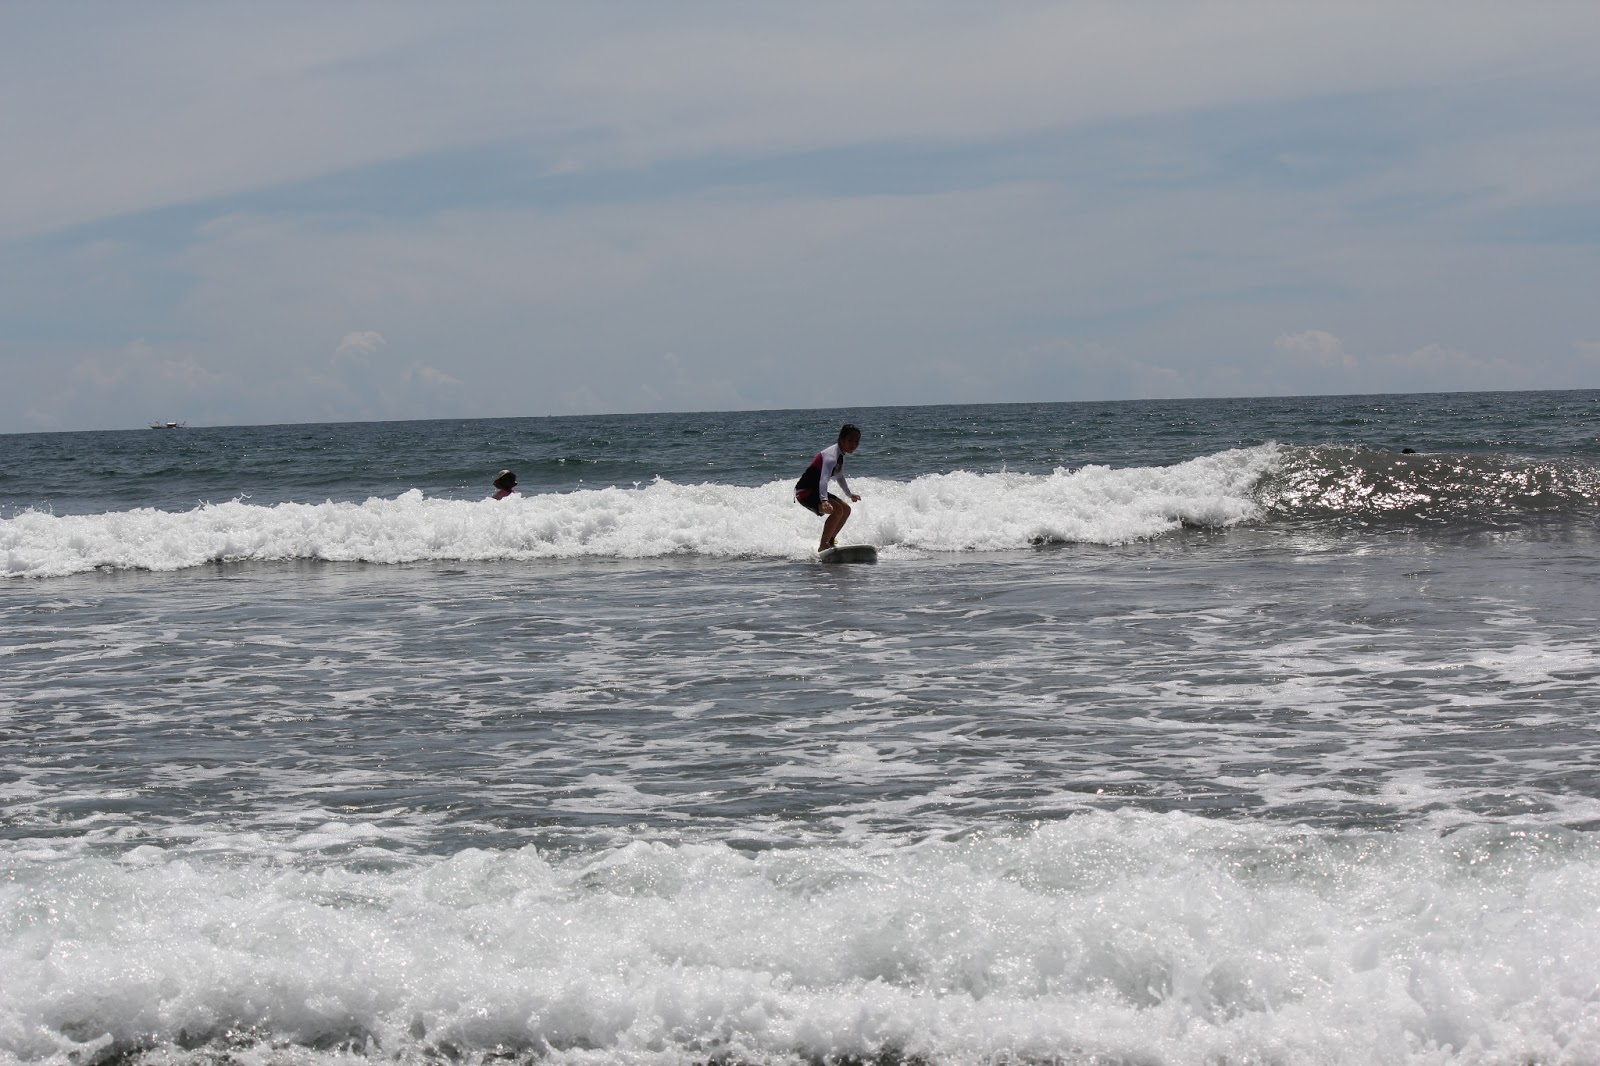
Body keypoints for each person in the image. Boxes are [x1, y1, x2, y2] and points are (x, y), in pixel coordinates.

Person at [794, 423, 862, 552]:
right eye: (850, 440)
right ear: (841, 439)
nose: (854, 444)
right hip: (805, 492)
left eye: (857, 441)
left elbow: (840, 476)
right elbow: (824, 479)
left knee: (846, 509)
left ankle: (830, 541)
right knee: (837, 510)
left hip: (815, 490)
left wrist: (849, 494)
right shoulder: (831, 456)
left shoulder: (840, 454)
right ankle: (823, 546)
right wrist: (824, 501)